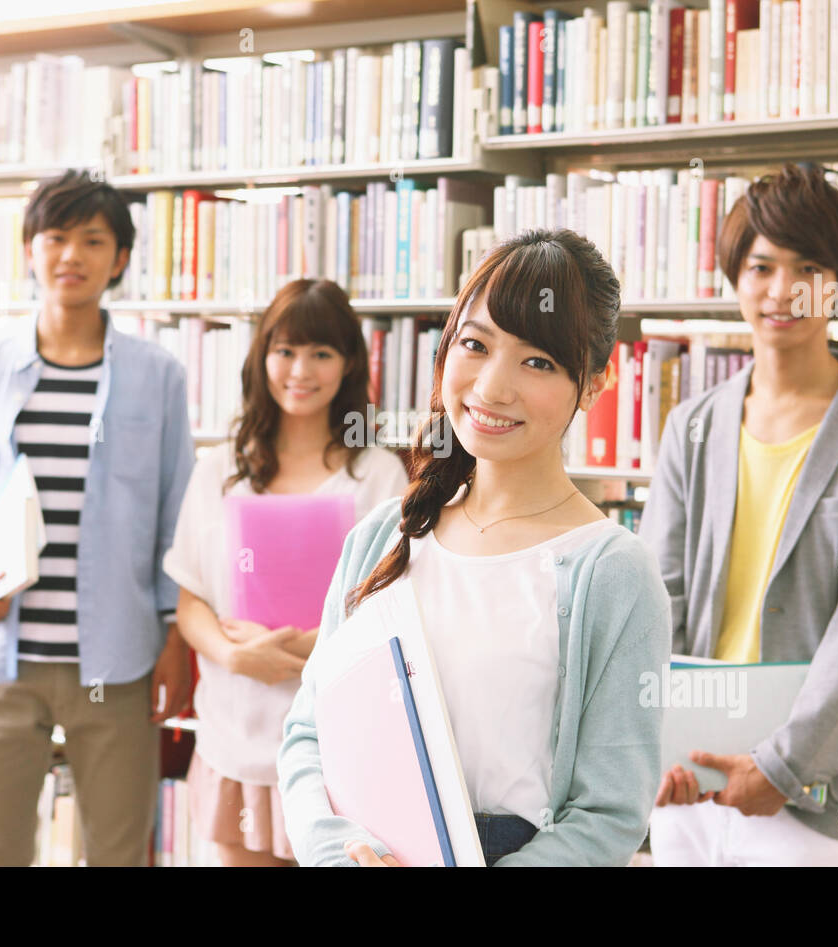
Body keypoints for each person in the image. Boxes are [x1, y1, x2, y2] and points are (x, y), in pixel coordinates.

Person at [277, 229, 672, 867]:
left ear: (595, 384)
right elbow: (307, 734)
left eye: (537, 361)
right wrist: (335, 856)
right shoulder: (382, 536)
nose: (491, 388)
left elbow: (609, 814)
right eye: (475, 344)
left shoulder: (613, 573)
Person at [639, 163, 838, 866]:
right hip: (690, 776)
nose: (782, 292)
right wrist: (651, 742)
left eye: (808, 268)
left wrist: (782, 766)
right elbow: (658, 598)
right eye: (761, 266)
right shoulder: (692, 426)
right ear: (734, 277)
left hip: (811, 792)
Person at [0, 169, 196, 866]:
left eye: (93, 241)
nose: (71, 255)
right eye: (56, 237)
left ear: (120, 259)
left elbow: (177, 516)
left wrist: (172, 638)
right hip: (2, 660)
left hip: (118, 660)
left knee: (118, 851)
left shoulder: (156, 375)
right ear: (30, 249)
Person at [162, 278, 409, 867]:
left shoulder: (376, 474)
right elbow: (190, 597)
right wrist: (232, 655)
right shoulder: (222, 468)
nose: (301, 370)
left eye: (321, 353)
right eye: (286, 351)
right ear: (262, 357)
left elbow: (395, 604)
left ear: (348, 364)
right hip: (235, 730)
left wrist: (313, 646)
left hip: (338, 743)